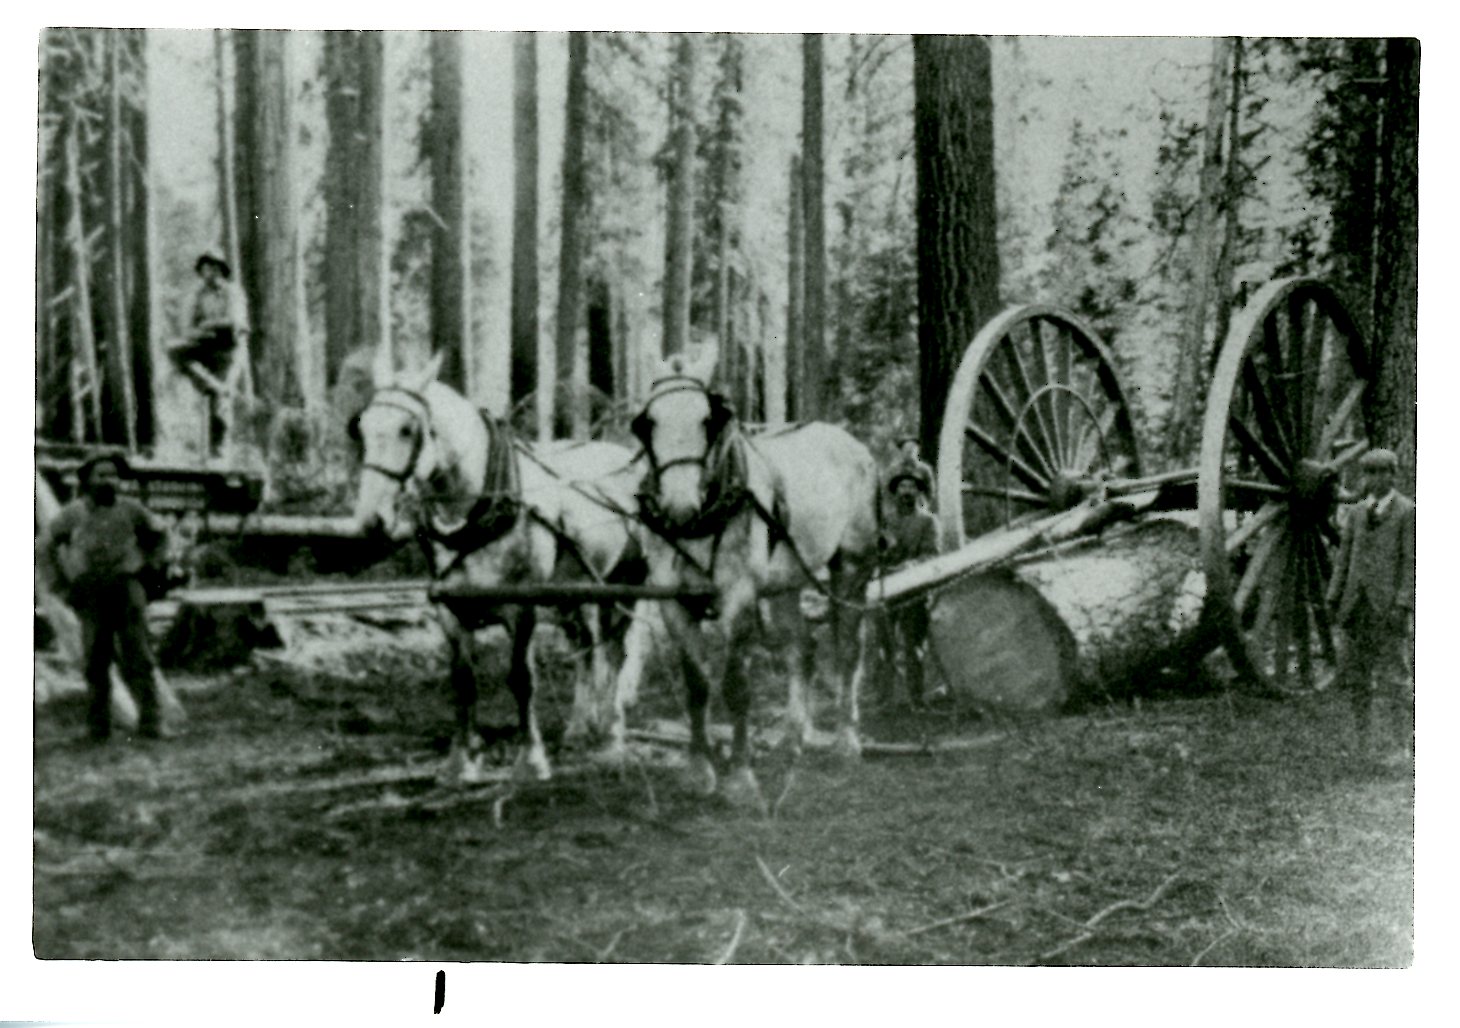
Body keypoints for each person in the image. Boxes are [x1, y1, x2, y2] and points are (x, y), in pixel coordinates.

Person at [36, 455, 174, 742]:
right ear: (88, 480)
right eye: (101, 475)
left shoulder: (132, 510)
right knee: (96, 661)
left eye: (113, 475)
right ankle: (99, 728)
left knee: (139, 655)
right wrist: (60, 585)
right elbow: (43, 547)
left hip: (127, 588)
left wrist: (151, 567)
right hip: (91, 591)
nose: (108, 481)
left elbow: (161, 535)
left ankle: (152, 722)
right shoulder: (72, 514)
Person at [1325, 448, 1415, 763]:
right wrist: (1334, 598)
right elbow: (1343, 560)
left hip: (1387, 608)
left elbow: (1411, 563)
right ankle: (1361, 743)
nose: (1375, 479)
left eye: (1382, 472)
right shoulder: (1357, 513)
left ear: (1393, 475)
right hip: (1356, 606)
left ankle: (1399, 746)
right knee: (1357, 677)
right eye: (1369, 473)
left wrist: (1403, 604)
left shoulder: (1407, 512)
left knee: (1395, 677)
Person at [169, 250, 250, 456]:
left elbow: (234, 323)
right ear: (201, 271)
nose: (210, 273)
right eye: (206, 268)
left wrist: (208, 324)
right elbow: (187, 328)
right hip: (206, 345)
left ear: (222, 270)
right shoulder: (197, 295)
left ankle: (219, 448)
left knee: (220, 405)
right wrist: (204, 331)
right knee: (175, 350)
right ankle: (212, 385)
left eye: (215, 268)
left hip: (229, 350)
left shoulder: (232, 292)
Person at [873, 465, 943, 707]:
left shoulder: (928, 522)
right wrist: (883, 552)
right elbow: (875, 554)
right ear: (895, 492)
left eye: (912, 487)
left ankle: (916, 699)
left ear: (919, 491)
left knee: (913, 646)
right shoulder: (886, 522)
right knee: (884, 646)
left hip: (915, 591)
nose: (906, 491)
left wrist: (909, 565)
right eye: (902, 486)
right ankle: (883, 700)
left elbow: (932, 556)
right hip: (886, 590)